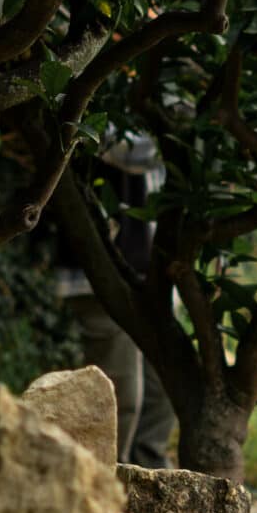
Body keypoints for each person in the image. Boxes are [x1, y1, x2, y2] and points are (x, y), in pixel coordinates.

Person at [55, 134, 177, 468]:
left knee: (162, 394)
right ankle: (107, 493)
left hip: (158, 278)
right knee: (121, 398)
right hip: (102, 279)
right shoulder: (97, 96)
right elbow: (132, 151)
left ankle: (151, 494)